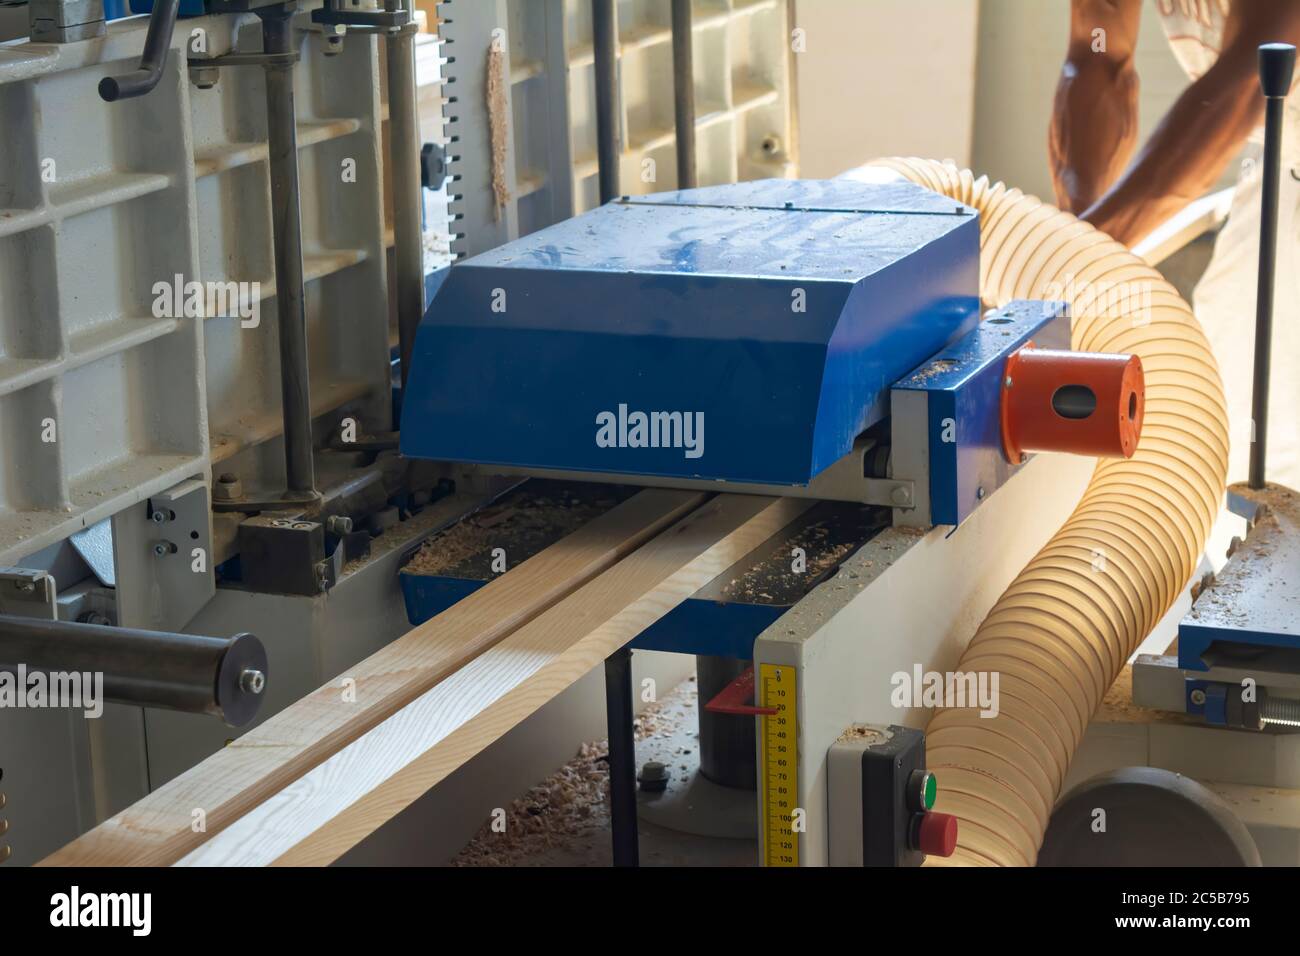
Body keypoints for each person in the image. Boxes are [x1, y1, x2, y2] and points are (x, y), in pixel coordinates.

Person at [1050, 0, 1300, 490]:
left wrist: (1080, 255)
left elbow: (1248, 76)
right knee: (1239, 427)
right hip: (1287, 160)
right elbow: (1095, 55)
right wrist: (1076, 221)